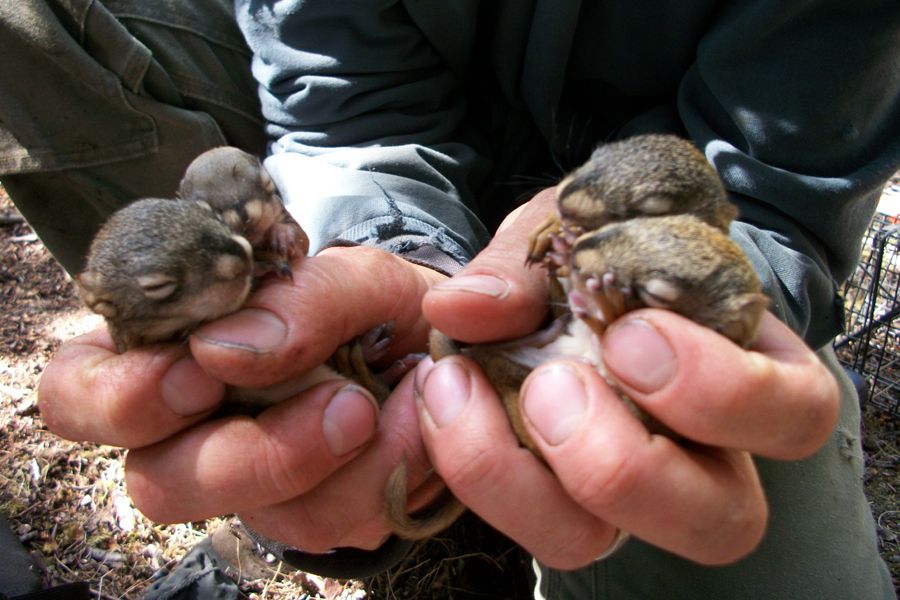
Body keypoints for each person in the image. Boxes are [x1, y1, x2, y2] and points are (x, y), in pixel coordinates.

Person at [2, 1, 898, 598]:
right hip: (432, 210)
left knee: (727, 533)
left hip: (620, 235)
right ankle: (306, 482)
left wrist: (659, 303)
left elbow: (767, 187)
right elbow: (347, 109)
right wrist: (390, 262)